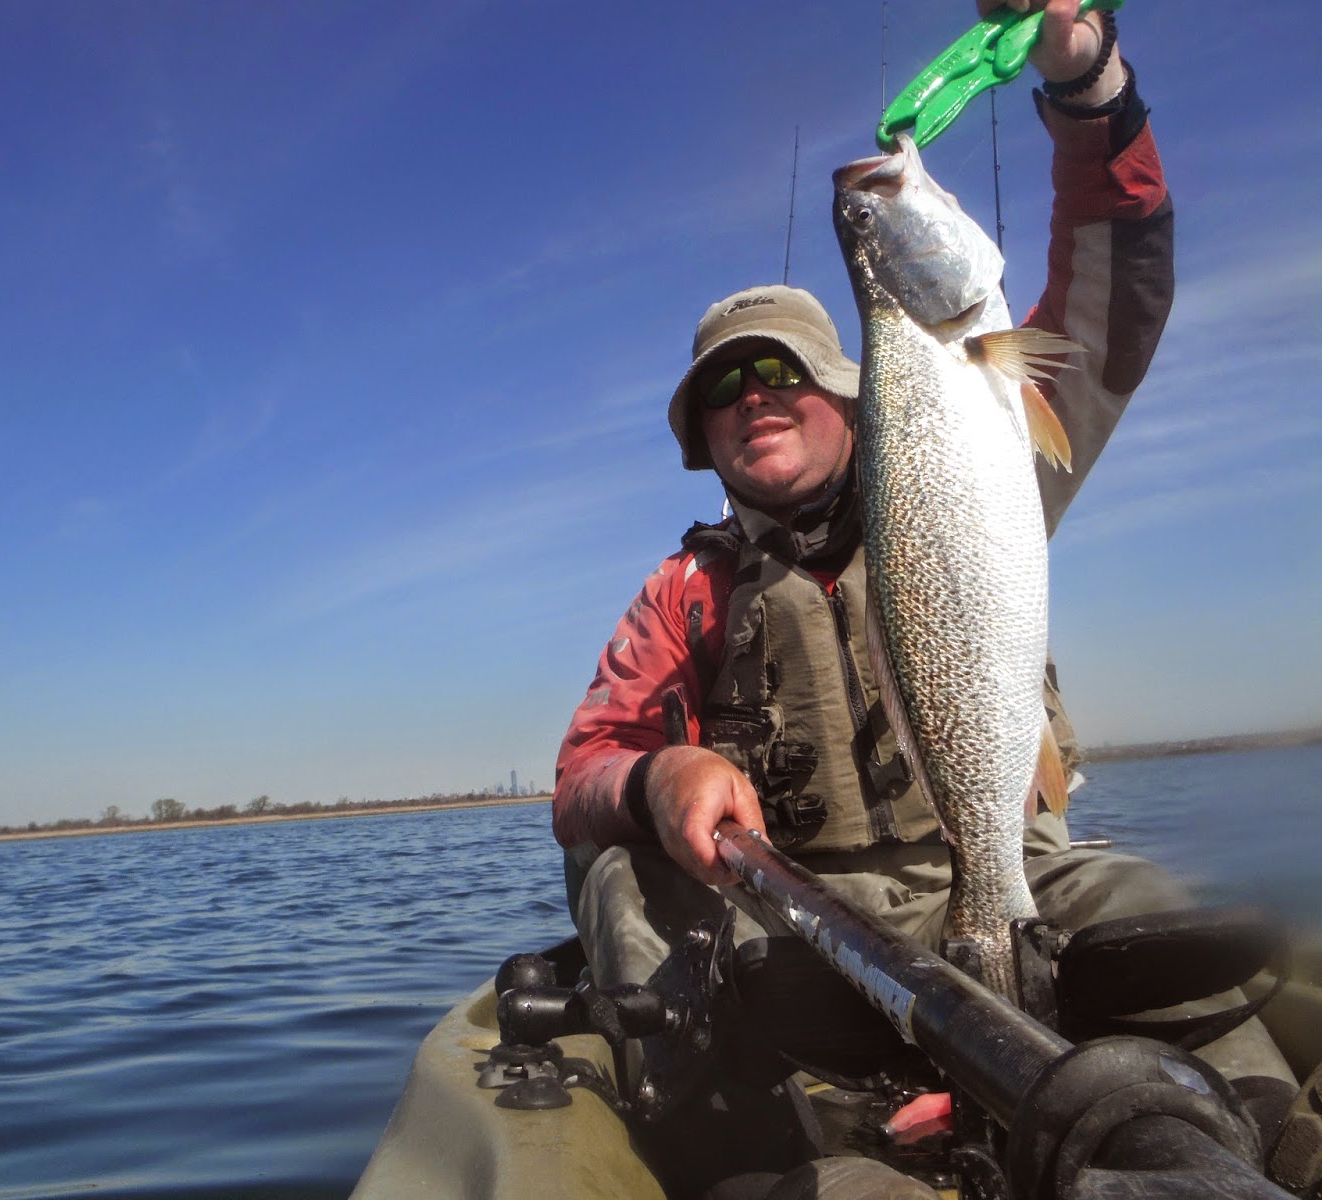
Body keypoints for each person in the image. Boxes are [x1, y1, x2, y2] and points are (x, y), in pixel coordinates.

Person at [552, 3, 1299, 1197]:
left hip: (1018, 855)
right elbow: (585, 762)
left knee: (1159, 924)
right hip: (816, 905)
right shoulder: (685, 590)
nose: (755, 396)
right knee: (644, 912)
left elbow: (1118, 274)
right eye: (724, 389)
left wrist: (1083, 81)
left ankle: (1268, 1139)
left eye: (782, 371)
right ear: (702, 439)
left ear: (848, 390)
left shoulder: (989, 439)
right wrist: (654, 777)